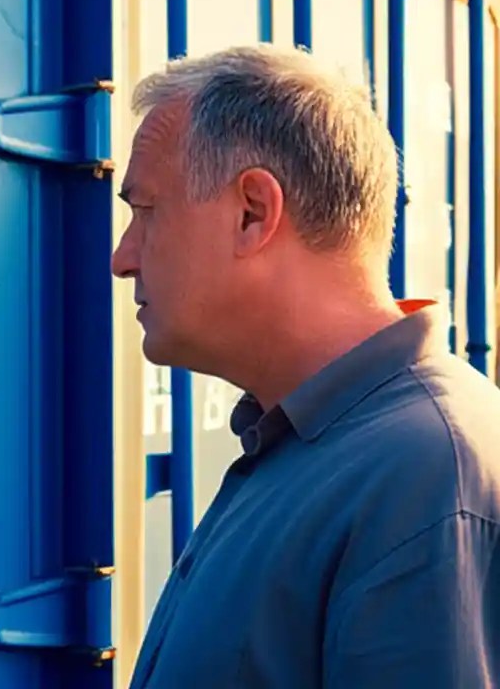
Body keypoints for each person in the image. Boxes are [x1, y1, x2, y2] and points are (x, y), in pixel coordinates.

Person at [112, 43, 500, 688]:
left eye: (145, 211)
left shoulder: (427, 474)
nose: (123, 258)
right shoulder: (320, 439)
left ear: (252, 212)